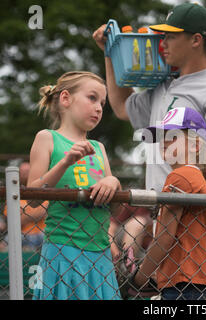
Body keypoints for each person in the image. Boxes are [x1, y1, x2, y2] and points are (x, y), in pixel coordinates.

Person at [92, 2, 206, 290]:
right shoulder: (162, 87)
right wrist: (109, 55)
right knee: (171, 293)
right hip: (166, 211)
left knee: (190, 292)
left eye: (171, 36)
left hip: (201, 213)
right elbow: (122, 107)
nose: (162, 43)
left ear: (196, 40)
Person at [28, 71, 122, 300]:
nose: (99, 108)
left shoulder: (98, 148)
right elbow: (32, 198)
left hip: (99, 253)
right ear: (66, 98)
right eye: (92, 98)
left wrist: (113, 181)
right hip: (62, 250)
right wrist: (66, 161)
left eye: (102, 102)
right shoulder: (47, 138)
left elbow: (115, 206)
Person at [129, 107, 206, 300]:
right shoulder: (194, 175)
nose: (164, 142)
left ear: (196, 145)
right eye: (163, 136)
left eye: (173, 136)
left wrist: (139, 278)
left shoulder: (180, 176)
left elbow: (164, 237)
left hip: (181, 281)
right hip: (190, 279)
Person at [3, 161, 47, 251]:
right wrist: (37, 212)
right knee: (6, 240)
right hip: (21, 235)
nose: (25, 174)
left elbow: (46, 210)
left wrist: (23, 212)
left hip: (42, 234)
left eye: (28, 171)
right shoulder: (13, 195)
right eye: (22, 172)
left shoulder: (42, 192)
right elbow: (14, 221)